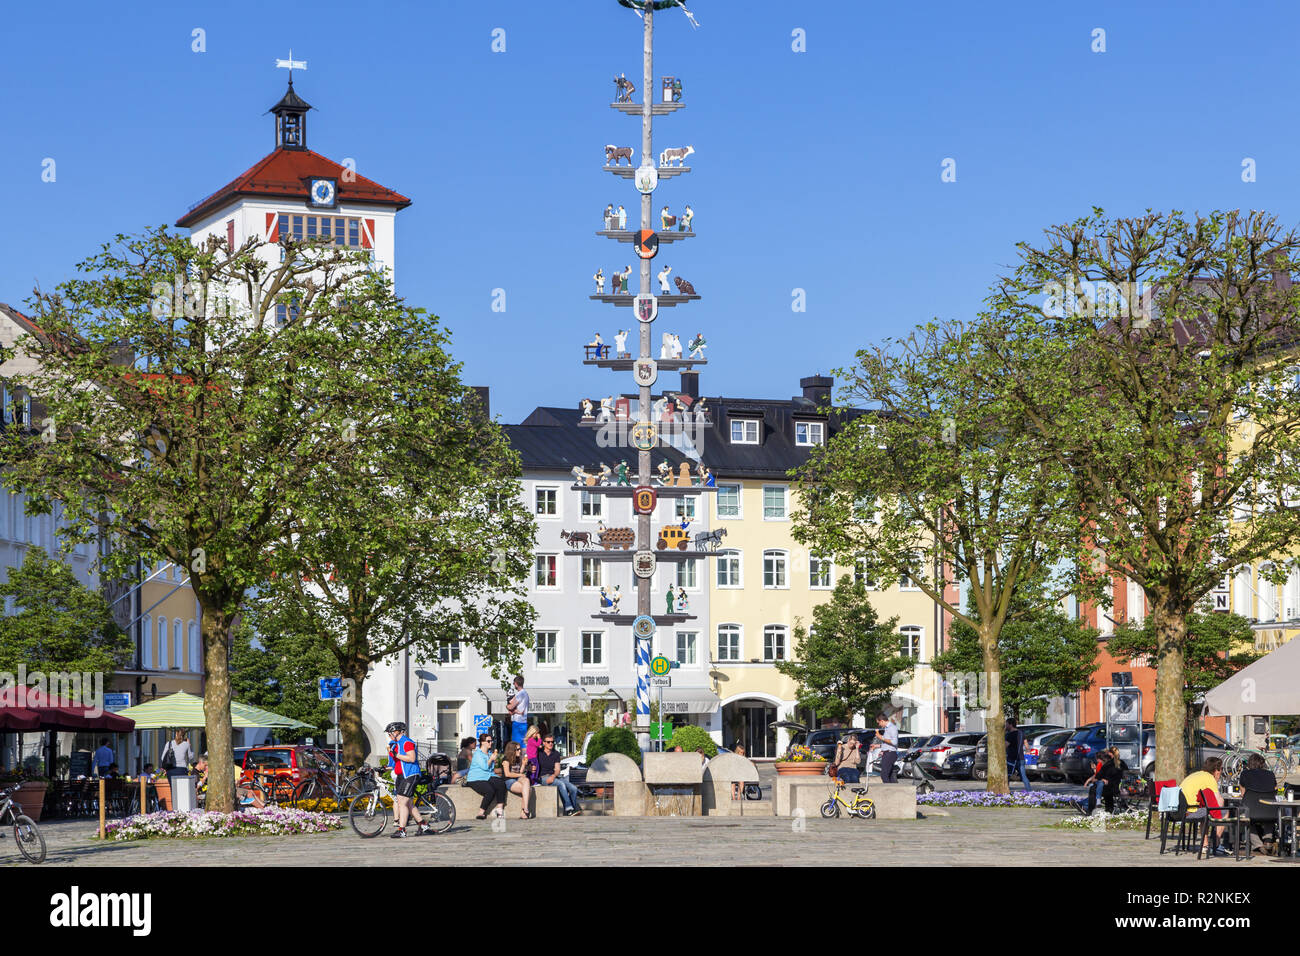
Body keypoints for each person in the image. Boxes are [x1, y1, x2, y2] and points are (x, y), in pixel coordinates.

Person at [385, 721, 432, 838]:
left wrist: (396, 755)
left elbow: (411, 758)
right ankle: (423, 825)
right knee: (409, 803)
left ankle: (402, 830)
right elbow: (396, 761)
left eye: (390, 733)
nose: (389, 736)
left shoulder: (407, 742)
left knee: (402, 802)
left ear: (397, 732)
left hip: (410, 774)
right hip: (401, 775)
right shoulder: (395, 744)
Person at [1180, 756, 1229, 856]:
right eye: (1221, 770)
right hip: (1192, 811)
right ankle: (1215, 844)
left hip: (1182, 810)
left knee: (1206, 810)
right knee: (1225, 812)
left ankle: (1205, 845)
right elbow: (1219, 802)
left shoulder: (1195, 774)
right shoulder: (1209, 778)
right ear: (1216, 770)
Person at [1238, 753, 1279, 854]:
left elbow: (1243, 794)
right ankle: (1268, 839)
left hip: (1251, 811)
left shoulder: (1244, 773)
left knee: (1246, 820)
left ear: (1249, 764)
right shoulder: (1270, 774)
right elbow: (1275, 790)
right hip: (1271, 811)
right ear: (1262, 764)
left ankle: (1258, 844)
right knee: (1269, 817)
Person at [536, 732, 582, 816]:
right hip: (542, 777)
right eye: (548, 742)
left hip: (554, 777)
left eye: (552, 742)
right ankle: (569, 809)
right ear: (544, 743)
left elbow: (557, 769)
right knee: (561, 784)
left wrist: (553, 776)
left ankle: (573, 808)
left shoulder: (556, 753)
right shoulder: (539, 752)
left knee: (573, 788)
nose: (551, 744)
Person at [467, 733, 507, 820]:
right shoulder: (478, 754)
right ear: (482, 742)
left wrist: (495, 761)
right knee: (490, 790)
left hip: (486, 776)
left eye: (491, 741)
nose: (491, 743)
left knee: (501, 783)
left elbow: (491, 769)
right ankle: (481, 812)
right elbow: (485, 767)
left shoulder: (489, 753)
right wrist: (491, 759)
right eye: (488, 741)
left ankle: (500, 810)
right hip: (475, 778)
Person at [1081, 747, 1127, 815]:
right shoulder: (1122, 763)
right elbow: (1126, 776)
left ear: (1110, 754)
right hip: (1119, 788)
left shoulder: (1108, 764)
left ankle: (1090, 810)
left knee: (1093, 788)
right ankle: (1109, 808)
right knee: (1105, 787)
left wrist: (1100, 778)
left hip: (1111, 789)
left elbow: (1097, 777)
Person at [501, 741, 535, 819]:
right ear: (512, 750)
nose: (520, 751)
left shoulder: (517, 759)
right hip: (508, 781)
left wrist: (523, 764)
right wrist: (520, 775)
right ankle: (524, 812)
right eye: (518, 749)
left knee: (526, 780)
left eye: (520, 749)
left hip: (516, 779)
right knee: (528, 789)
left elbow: (519, 772)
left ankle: (525, 808)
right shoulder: (506, 759)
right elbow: (507, 774)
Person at [1005, 718, 1032, 790]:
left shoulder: (1009, 735)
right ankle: (1029, 791)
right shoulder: (1021, 733)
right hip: (1021, 758)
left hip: (1011, 759)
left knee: (1007, 776)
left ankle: (1005, 792)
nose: (1005, 726)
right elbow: (1026, 743)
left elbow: (1005, 745)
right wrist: (1028, 751)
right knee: (1023, 776)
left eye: (1006, 724)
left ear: (1010, 725)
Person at [874, 713, 900, 783]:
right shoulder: (887, 728)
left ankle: (888, 791)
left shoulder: (892, 728)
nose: (879, 725)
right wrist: (877, 746)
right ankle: (894, 790)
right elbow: (888, 744)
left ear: (882, 721)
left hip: (890, 754)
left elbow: (894, 742)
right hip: (887, 753)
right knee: (890, 775)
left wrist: (881, 737)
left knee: (884, 775)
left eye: (879, 723)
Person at [506, 675, 530, 746]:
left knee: (515, 745)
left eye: (514, 683)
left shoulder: (520, 694)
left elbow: (511, 706)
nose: (514, 685)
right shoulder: (525, 693)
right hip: (523, 721)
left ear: (516, 683)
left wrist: (507, 706)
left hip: (518, 722)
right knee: (523, 745)